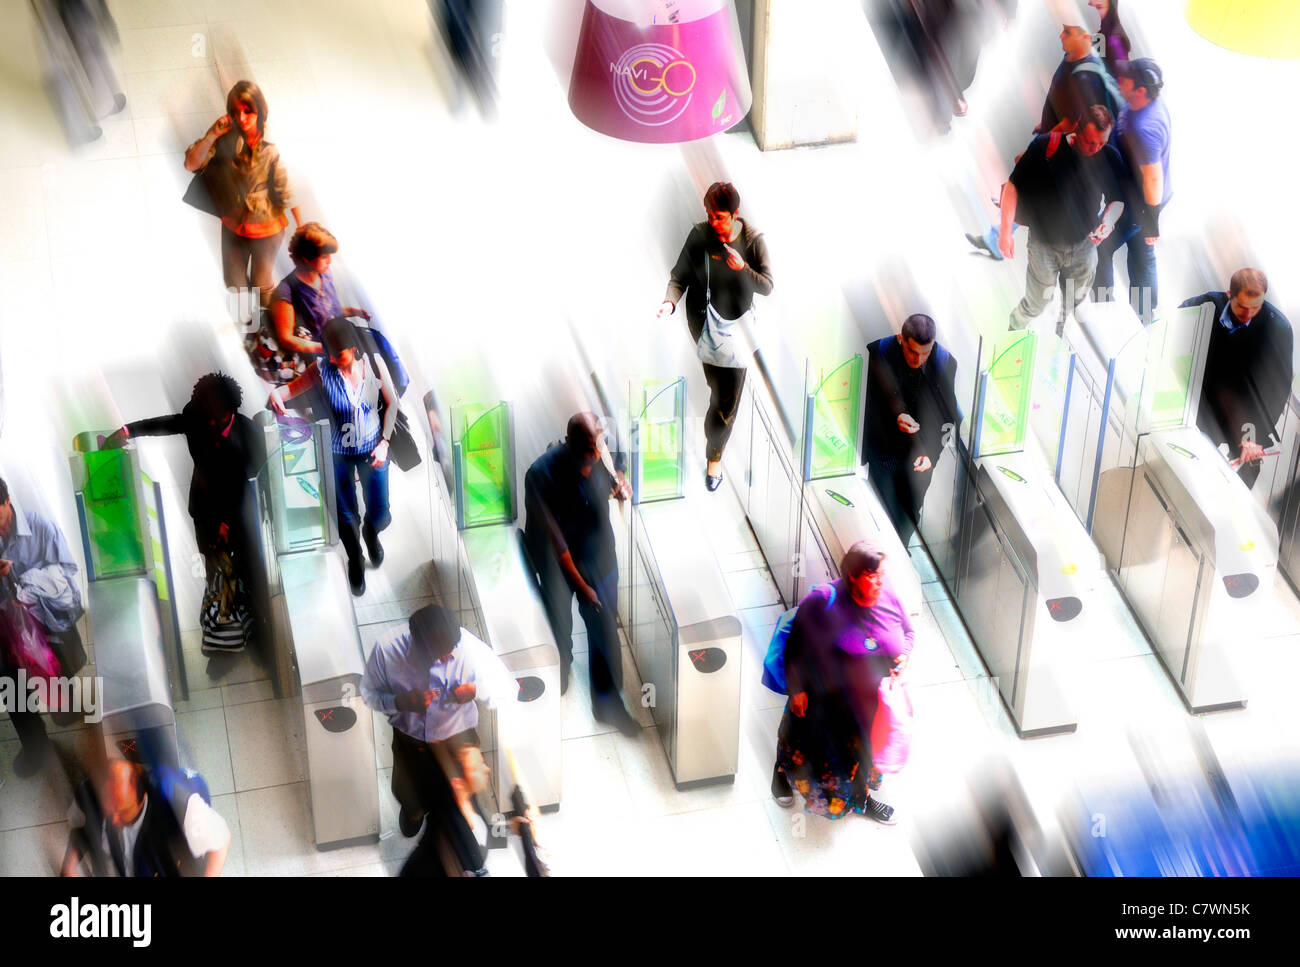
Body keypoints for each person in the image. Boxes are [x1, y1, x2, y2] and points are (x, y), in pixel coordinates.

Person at [105, 373, 268, 655]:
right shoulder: (196, 415)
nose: (209, 423)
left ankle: (257, 628)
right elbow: (166, 423)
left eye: (215, 418)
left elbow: (250, 484)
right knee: (214, 569)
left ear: (229, 410)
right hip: (205, 507)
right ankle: (221, 634)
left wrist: (228, 523)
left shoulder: (249, 435)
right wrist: (128, 431)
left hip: (239, 513)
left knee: (247, 567)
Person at [771, 541, 913, 824]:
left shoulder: (889, 596)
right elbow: (796, 647)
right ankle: (781, 775)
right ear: (853, 575)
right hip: (821, 700)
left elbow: (908, 633)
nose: (880, 583)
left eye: (882, 575)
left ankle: (861, 800)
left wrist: (904, 657)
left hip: (869, 706)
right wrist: (797, 690)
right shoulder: (824, 601)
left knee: (860, 754)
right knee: (800, 744)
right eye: (873, 576)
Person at [965, 16, 1118, 259]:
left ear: (1085, 40)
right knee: (1027, 190)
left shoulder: (1085, 76)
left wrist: (1042, 141)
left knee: (1028, 188)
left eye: (1067, 33)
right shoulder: (1073, 63)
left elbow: (1072, 121)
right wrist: (1046, 124)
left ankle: (999, 237)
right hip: (1056, 142)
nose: (1061, 36)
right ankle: (997, 235)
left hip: (1059, 149)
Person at [523, 413, 638, 733]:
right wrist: (584, 588)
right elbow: (557, 544)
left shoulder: (600, 453)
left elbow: (614, 473)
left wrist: (619, 482)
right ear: (571, 443)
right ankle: (561, 668)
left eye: (598, 443)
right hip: (558, 562)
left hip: (599, 557)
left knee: (604, 630)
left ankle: (608, 705)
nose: (597, 451)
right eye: (589, 446)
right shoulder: (541, 476)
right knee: (560, 623)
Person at [362, 603, 517, 838]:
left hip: (459, 740)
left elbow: (508, 688)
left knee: (459, 801)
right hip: (411, 742)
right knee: (409, 795)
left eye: (451, 653)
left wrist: (476, 690)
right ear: (417, 645)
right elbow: (369, 695)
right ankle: (414, 812)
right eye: (439, 655)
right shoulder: (388, 650)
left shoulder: (469, 647)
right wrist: (401, 702)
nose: (447, 659)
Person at [269, 317, 398, 596]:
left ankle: (372, 533)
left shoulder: (373, 364)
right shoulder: (322, 369)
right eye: (328, 353)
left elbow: (392, 404)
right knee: (344, 515)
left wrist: (385, 442)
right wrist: (276, 395)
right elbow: (291, 389)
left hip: (372, 447)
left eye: (338, 354)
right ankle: (355, 559)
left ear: (352, 348)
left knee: (380, 511)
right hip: (337, 452)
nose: (333, 359)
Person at [658, 182, 774, 491]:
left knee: (725, 401)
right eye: (709, 214)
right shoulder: (701, 235)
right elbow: (679, 274)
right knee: (717, 388)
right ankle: (716, 432)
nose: (713, 222)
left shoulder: (752, 241)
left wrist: (742, 268)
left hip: (739, 332)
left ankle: (714, 457)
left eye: (719, 216)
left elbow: (767, 286)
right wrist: (670, 302)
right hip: (704, 325)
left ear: (735, 214)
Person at [1001, 105, 1128, 333]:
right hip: (1043, 246)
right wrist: (1004, 232)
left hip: (1084, 246)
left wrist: (1107, 223)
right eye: (1090, 142)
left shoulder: (1109, 157)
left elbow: (1117, 200)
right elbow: (1012, 186)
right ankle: (1014, 330)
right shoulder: (1046, 146)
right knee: (1037, 303)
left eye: (1101, 143)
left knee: (1075, 301)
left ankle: (1061, 331)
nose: (1095, 148)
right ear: (1077, 129)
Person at [184, 80, 302, 311]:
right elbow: (191, 164)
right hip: (234, 224)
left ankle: (281, 327)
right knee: (234, 285)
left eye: (249, 111)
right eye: (236, 112)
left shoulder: (272, 146)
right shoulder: (226, 137)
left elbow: (285, 189)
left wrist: (302, 225)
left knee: (261, 285)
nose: (243, 118)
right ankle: (253, 330)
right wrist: (211, 136)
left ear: (260, 111)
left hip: (267, 227)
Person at [0, 474, 85, 778]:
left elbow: (66, 573)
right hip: (3, 625)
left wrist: (22, 581)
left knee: (54, 679)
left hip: (41, 619)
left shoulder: (39, 527)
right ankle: (35, 745)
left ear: (7, 501)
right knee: (10, 682)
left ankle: (69, 710)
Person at [1181, 269, 1294, 490]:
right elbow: (1173, 333)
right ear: (1228, 295)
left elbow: (1277, 391)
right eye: (1242, 306)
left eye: (1256, 307)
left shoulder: (1278, 330)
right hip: (1201, 400)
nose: (1248, 314)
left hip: (1243, 415)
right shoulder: (1205, 305)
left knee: (1244, 477)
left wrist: (1254, 437)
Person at [861, 314, 961, 549]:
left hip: (918, 455)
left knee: (908, 515)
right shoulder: (881, 352)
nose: (918, 359)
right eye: (913, 352)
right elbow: (870, 403)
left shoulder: (945, 363)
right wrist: (896, 416)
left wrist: (931, 454)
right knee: (880, 510)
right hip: (883, 449)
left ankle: (899, 552)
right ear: (901, 340)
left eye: (925, 353)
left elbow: (949, 416)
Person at [1092, 58, 1170, 318]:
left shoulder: (1145, 128)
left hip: (1139, 204)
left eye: (1126, 81)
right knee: (1141, 253)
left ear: (1140, 91)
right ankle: (1148, 317)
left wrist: (1150, 220)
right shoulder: (1144, 105)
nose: (1120, 82)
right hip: (1135, 199)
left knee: (1100, 245)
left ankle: (1103, 307)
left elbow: (1153, 179)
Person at [60, 758, 230, 877]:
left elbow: (220, 842)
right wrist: (69, 869)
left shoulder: (179, 807)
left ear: (142, 798)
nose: (113, 820)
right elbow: (83, 833)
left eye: (121, 812)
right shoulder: (90, 796)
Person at [251, 223, 372, 385]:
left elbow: (327, 311)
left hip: (341, 345)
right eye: (324, 257)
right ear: (306, 258)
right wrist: (326, 348)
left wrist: (353, 311)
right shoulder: (286, 291)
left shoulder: (325, 274)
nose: (330, 261)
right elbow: (286, 339)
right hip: (318, 358)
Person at [1087, 0, 1131, 75]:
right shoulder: (1102, 33)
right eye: (1092, 5)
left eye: (1099, 7)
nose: (1095, 12)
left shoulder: (1114, 39)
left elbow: (1124, 75)